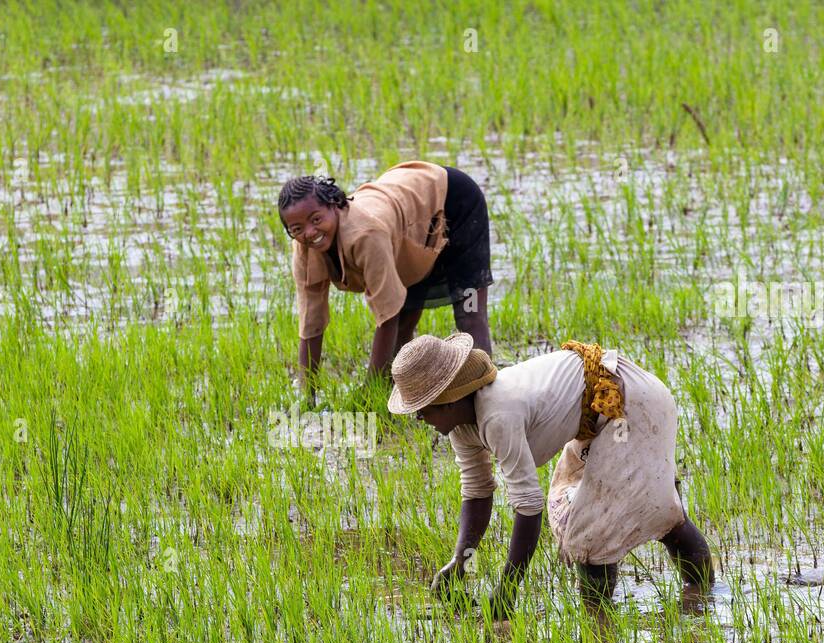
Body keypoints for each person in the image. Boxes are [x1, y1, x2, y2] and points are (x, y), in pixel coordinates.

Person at [386, 332, 714, 617]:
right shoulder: (461, 425)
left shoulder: (498, 415)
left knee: (604, 530)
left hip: (627, 405)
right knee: (585, 519)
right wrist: (461, 560)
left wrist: (506, 592)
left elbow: (529, 508)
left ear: (449, 400)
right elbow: (477, 492)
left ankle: (692, 602)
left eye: (423, 408)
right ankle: (620, 619)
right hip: (597, 416)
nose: (419, 418)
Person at [278, 161, 494, 388]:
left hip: (452, 201)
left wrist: (371, 390)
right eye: (297, 229)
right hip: (405, 225)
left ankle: (487, 388)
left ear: (334, 206)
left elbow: (386, 318)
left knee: (469, 312)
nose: (310, 233)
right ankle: (411, 395)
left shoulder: (367, 235)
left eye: (316, 219)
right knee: (401, 328)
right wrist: (307, 393)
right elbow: (311, 322)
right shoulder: (304, 249)